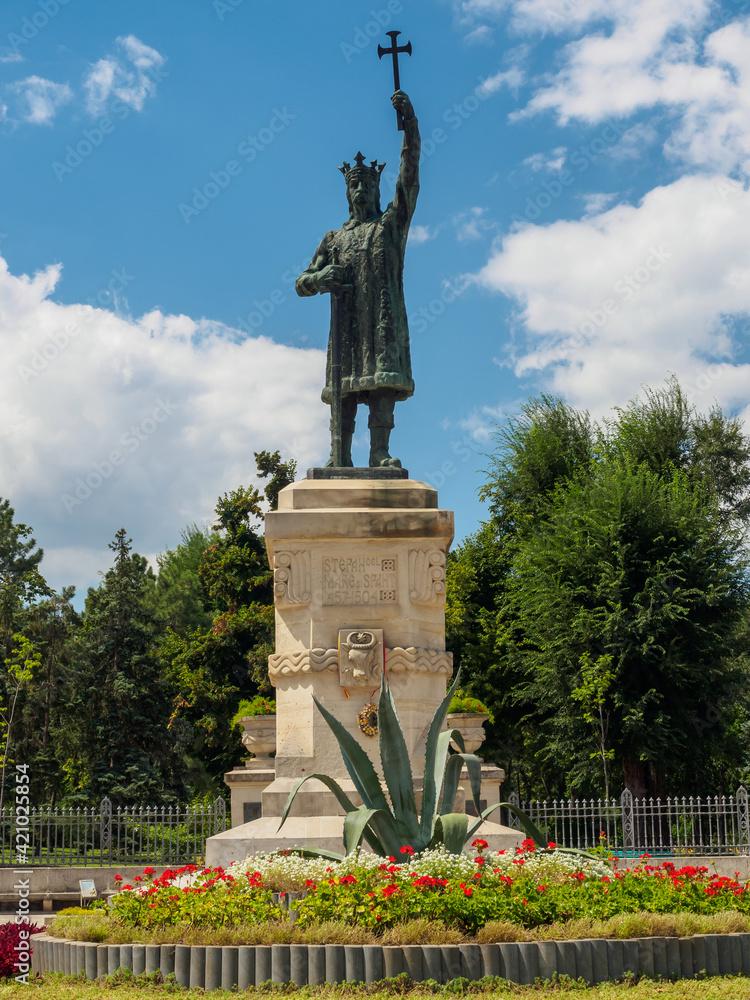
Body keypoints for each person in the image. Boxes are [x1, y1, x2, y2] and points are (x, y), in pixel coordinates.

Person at [296, 90, 420, 468]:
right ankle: (340, 457)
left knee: (381, 386)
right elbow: (302, 280)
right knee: (344, 394)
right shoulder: (334, 239)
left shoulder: (389, 226)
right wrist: (320, 277)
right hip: (348, 332)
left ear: (376, 189)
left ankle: (379, 453)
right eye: (355, 185)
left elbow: (409, 180)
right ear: (348, 193)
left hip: (380, 326)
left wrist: (410, 129)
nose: (361, 189)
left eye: (367, 184)